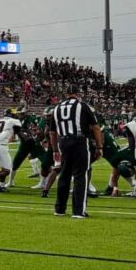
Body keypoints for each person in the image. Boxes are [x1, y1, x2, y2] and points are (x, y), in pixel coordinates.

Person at [48, 86, 103, 219]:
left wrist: (55, 149)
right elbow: (95, 127)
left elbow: (52, 132)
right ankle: (78, 211)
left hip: (64, 142)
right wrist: (99, 147)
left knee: (64, 175)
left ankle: (59, 209)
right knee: (80, 176)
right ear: (77, 94)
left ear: (66, 94)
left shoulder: (57, 108)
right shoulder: (83, 106)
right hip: (79, 141)